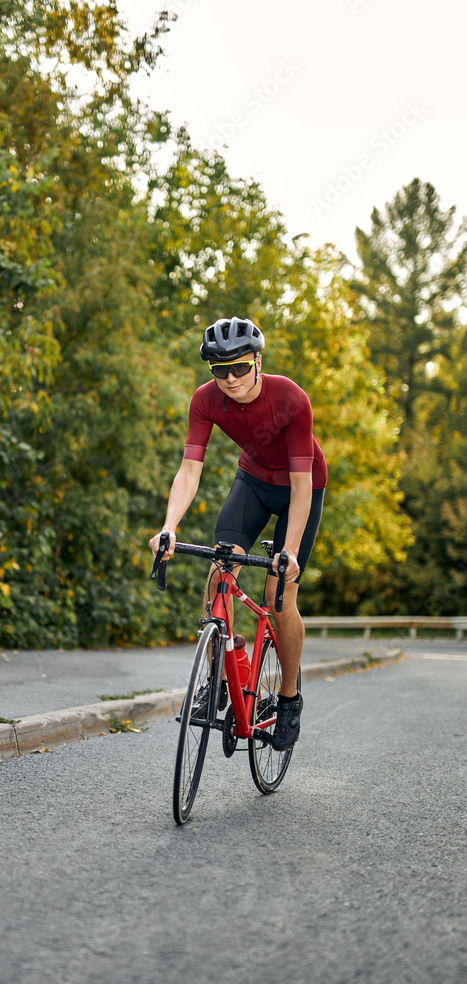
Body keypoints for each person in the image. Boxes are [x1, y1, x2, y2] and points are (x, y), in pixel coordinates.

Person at [149, 316, 327, 750]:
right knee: (220, 568)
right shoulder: (205, 400)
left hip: (300, 489)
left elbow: (301, 485)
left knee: (277, 594)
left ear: (258, 361)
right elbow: (190, 469)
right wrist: (169, 527)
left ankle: (288, 699)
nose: (230, 379)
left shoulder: (291, 398)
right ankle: (220, 678)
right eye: (219, 370)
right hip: (252, 483)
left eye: (240, 367)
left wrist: (288, 551)